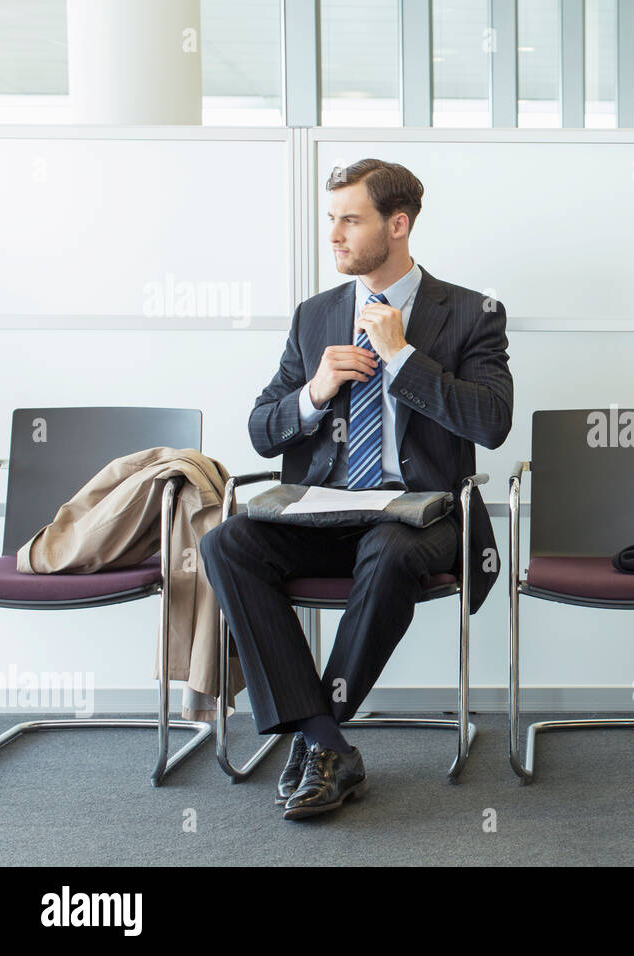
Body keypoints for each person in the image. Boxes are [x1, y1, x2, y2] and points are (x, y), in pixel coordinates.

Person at [201, 159, 513, 821]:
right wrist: (314, 393)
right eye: (332, 219)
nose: (336, 234)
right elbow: (262, 430)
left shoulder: (470, 314)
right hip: (324, 512)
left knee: (391, 550)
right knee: (228, 542)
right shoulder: (316, 317)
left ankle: (318, 736)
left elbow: (491, 423)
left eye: (351, 219)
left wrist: (403, 359)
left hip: (421, 515)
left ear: (397, 225)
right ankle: (326, 742)